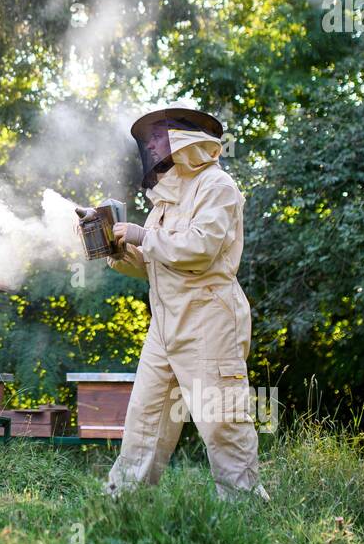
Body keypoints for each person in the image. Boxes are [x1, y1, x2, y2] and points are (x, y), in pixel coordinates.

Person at [103, 106, 268, 500]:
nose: (152, 145)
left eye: (159, 135)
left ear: (184, 136)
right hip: (165, 324)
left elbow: (199, 249)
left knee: (221, 420)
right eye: (148, 140)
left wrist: (142, 235)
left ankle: (244, 508)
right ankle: (123, 503)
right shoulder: (165, 200)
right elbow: (156, 266)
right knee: (145, 418)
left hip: (208, 319)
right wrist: (116, 249)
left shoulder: (218, 186)